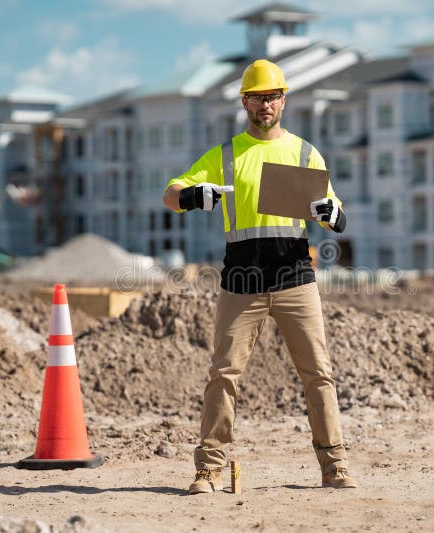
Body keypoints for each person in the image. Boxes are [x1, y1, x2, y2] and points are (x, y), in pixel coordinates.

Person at [163, 59, 357, 494]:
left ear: (283, 100)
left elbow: (336, 214)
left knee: (318, 374)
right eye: (256, 97)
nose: (264, 104)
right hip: (241, 280)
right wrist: (193, 195)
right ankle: (208, 470)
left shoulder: (306, 154)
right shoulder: (225, 156)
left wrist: (334, 216)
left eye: (272, 96)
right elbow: (170, 194)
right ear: (244, 102)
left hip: (294, 276)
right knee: (223, 375)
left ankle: (335, 467)